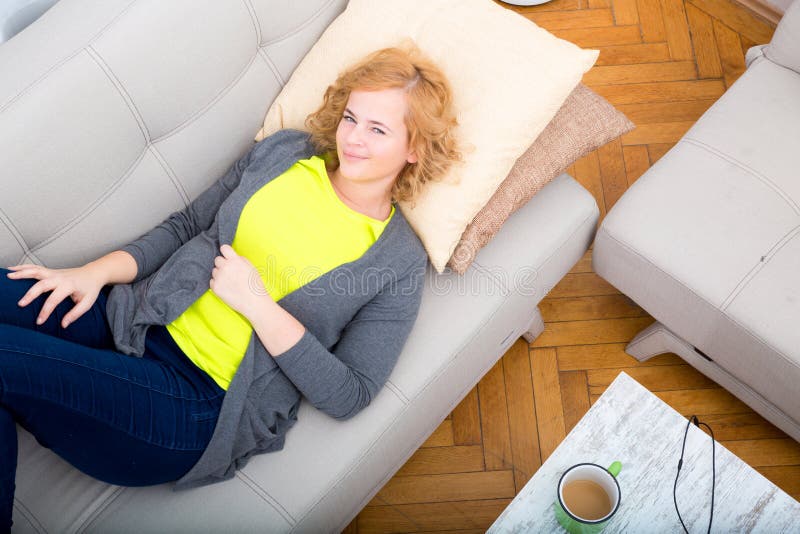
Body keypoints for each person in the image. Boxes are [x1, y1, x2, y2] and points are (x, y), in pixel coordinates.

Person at [0, 44, 461, 532]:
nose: (353, 138)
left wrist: (259, 306)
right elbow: (186, 226)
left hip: (192, 405)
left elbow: (351, 392)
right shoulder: (286, 153)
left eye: (378, 129)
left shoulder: (397, 261)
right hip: (130, 320)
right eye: (352, 117)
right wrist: (91, 274)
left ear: (414, 149)